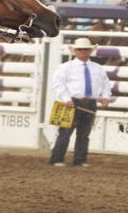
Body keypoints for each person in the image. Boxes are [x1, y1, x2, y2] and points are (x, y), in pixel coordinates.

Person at [48, 37, 113, 167]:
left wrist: (105, 97)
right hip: (72, 101)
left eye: (86, 49)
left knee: (84, 133)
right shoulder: (66, 67)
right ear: (75, 51)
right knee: (65, 132)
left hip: (90, 102)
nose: (83, 51)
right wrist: (66, 98)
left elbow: (105, 84)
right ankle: (57, 159)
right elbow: (57, 84)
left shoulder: (98, 68)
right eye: (80, 49)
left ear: (90, 51)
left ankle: (80, 159)